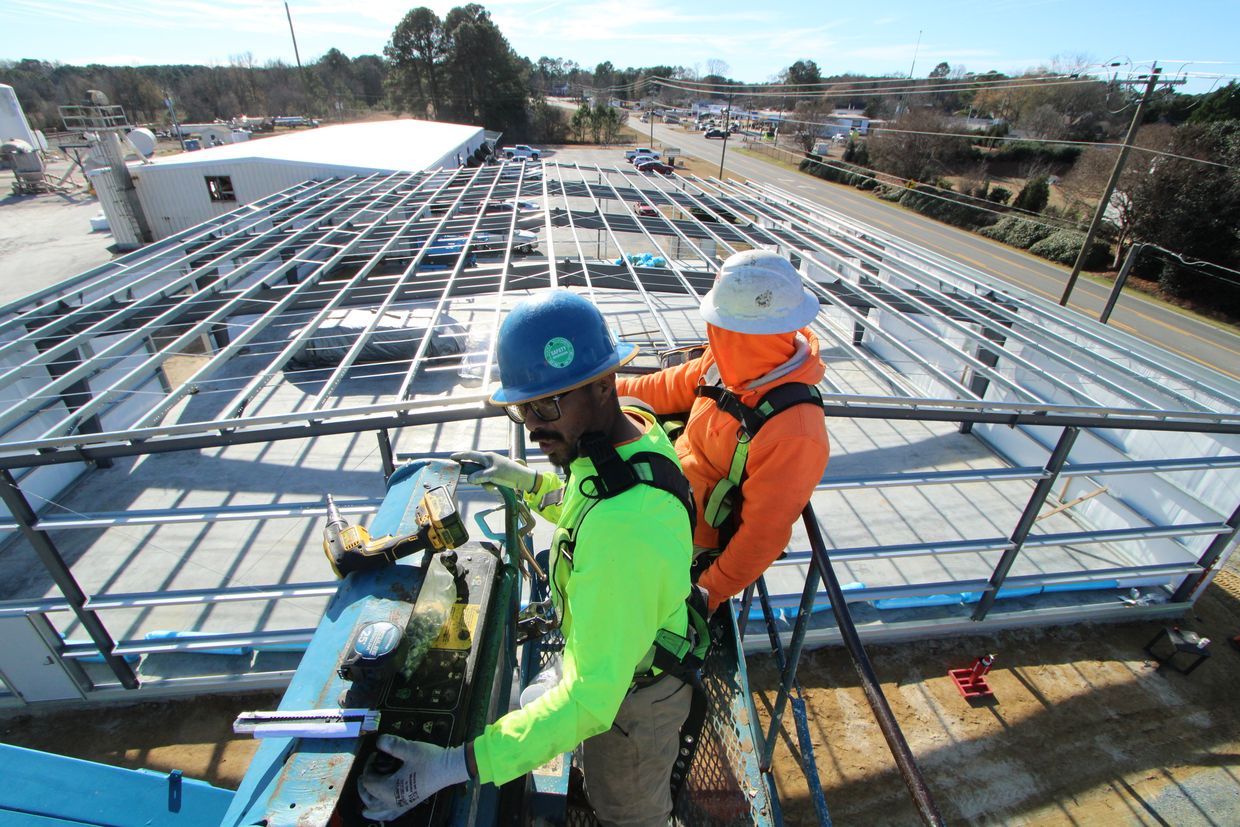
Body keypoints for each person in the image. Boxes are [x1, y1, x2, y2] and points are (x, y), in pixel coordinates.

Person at [358, 289, 697, 826]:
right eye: (523, 408)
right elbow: (586, 504)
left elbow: (590, 703)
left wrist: (455, 765)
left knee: (629, 812)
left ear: (605, 385)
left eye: (547, 405)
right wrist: (526, 482)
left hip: (634, 706)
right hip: (623, 659)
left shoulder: (626, 530)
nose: (533, 427)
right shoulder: (626, 438)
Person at [616, 249, 830, 613]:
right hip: (666, 493)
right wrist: (601, 394)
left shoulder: (794, 431)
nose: (710, 333)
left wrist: (703, 596)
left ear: (738, 331)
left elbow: (760, 538)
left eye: (718, 325)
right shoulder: (729, 362)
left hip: (688, 543)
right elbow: (667, 386)